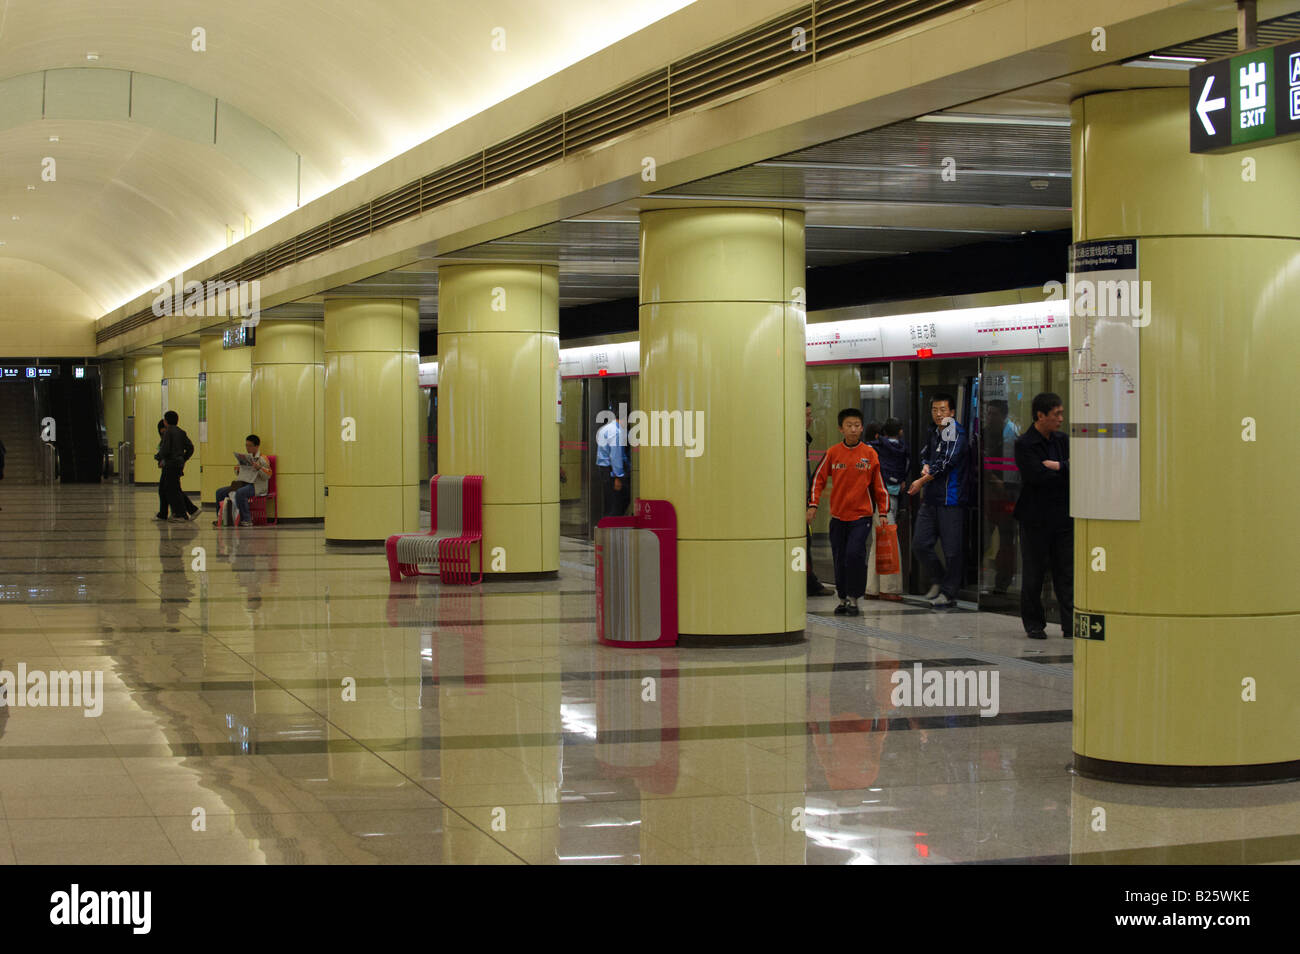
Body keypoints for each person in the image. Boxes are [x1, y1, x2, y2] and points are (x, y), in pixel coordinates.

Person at [807, 408, 889, 617]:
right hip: (838, 517)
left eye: (857, 426)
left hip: (861, 517)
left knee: (854, 554)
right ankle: (842, 598)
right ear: (840, 428)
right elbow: (818, 479)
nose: (853, 430)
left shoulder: (870, 454)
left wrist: (883, 512)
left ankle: (854, 597)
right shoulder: (833, 453)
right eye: (849, 426)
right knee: (840, 557)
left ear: (862, 428)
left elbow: (879, 485)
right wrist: (813, 504)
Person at [1013, 392, 1072, 639]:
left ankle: (1070, 624)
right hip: (1035, 518)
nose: (1061, 418)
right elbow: (1036, 476)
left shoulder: (1063, 440)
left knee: (1066, 573)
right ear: (1041, 415)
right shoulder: (1025, 443)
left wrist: (1058, 466)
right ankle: (1034, 623)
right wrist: (1064, 472)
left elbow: (1077, 466)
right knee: (1034, 573)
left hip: (1063, 516)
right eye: (1056, 414)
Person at [908, 392, 969, 609]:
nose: (938, 414)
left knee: (952, 550)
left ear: (952, 412)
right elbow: (927, 454)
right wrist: (925, 464)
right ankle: (939, 579)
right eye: (934, 410)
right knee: (920, 544)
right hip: (931, 499)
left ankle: (949, 592)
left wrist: (921, 480)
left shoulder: (955, 432)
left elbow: (945, 463)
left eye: (943, 410)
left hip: (951, 500)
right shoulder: (933, 431)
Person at [866, 417, 908, 601]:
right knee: (889, 541)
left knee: (879, 541)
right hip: (889, 498)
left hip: (876, 498)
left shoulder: (874, 448)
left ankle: (873, 588)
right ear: (900, 432)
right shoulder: (904, 449)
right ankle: (888, 588)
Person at [981, 400, 1021, 595]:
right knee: (984, 539)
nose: (990, 417)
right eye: (988, 413)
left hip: (1007, 496)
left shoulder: (1012, 437)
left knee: (1006, 541)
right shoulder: (983, 435)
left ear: (1004, 416)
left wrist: (1003, 485)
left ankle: (1001, 583)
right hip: (988, 497)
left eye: (994, 414)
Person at [805, 403, 832, 596]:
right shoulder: (792, 440)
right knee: (804, 541)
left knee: (807, 540)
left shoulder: (804, 440)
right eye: (807, 415)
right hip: (797, 502)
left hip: (804, 499)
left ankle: (810, 581)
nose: (810, 419)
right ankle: (808, 582)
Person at [215, 434, 271, 527]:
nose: (247, 448)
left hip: (257, 485)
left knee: (241, 493)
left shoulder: (263, 459)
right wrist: (238, 469)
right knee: (220, 492)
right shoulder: (246, 457)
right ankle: (221, 518)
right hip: (244, 483)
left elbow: (268, 475)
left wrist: (259, 468)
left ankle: (246, 519)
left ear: (256, 446)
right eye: (246, 445)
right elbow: (236, 471)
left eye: (250, 446)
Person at [156, 410, 198, 522]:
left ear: (165, 421)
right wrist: (184, 458)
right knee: (172, 488)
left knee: (172, 489)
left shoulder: (168, 432)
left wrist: (158, 457)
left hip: (170, 464)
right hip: (178, 464)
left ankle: (180, 514)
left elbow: (165, 449)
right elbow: (190, 447)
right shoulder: (181, 432)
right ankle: (189, 510)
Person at [595, 411, 629, 518]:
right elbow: (615, 457)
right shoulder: (617, 432)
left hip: (603, 468)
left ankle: (608, 524)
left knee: (609, 501)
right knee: (617, 503)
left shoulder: (605, 428)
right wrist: (618, 476)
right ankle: (612, 527)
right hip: (611, 471)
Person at [153, 419, 170, 520]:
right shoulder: (167, 436)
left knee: (168, 490)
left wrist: (160, 459)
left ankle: (188, 510)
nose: (161, 431)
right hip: (168, 466)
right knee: (168, 490)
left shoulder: (168, 436)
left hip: (169, 466)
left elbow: (165, 451)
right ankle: (164, 513)